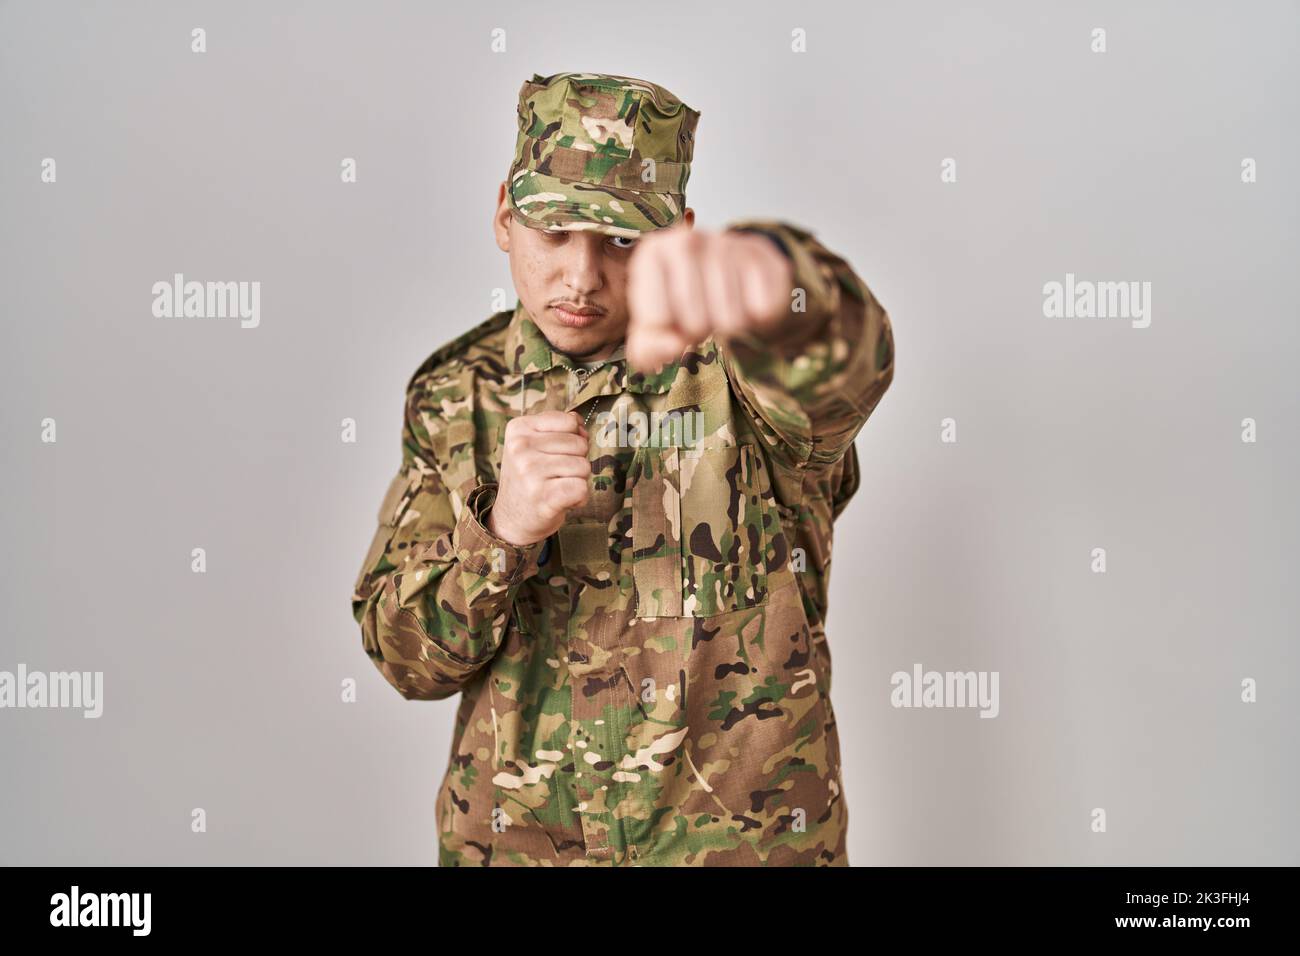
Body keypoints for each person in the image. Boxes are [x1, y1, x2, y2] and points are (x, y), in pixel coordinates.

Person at [351, 71, 895, 866]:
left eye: (621, 241)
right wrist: (498, 535)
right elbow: (404, 657)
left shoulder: (742, 377)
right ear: (505, 215)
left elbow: (845, 364)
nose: (580, 277)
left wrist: (783, 282)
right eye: (554, 233)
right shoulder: (455, 393)